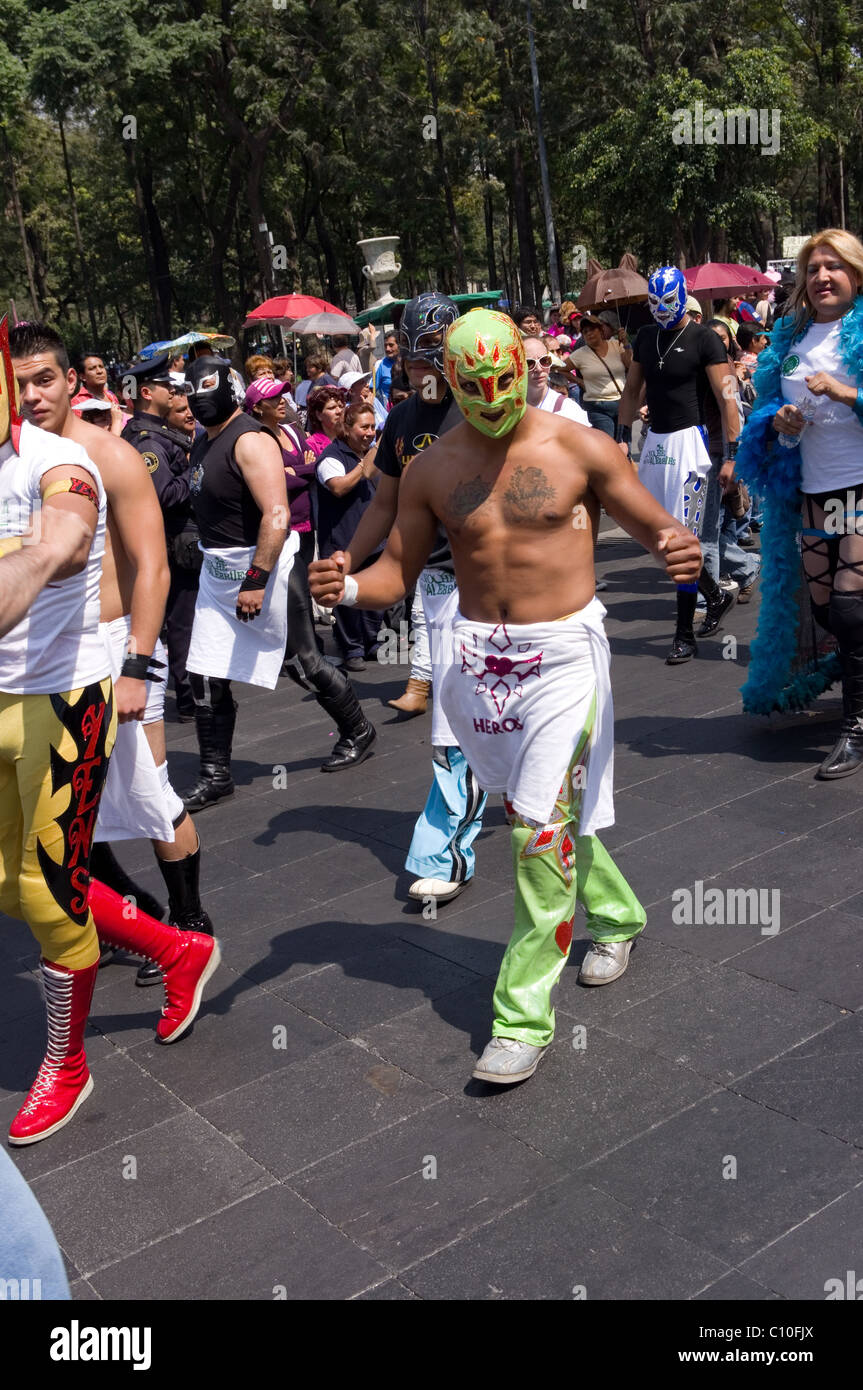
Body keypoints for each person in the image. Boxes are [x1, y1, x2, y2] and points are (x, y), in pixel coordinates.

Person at [310, 309, 701, 1084]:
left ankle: (521, 1016)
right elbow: (398, 570)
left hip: (563, 661)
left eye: (506, 379)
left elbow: (654, 525)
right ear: (448, 381)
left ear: (525, 371)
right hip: (479, 659)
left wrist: (675, 546)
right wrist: (349, 585)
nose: (494, 394)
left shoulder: (579, 447)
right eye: (477, 383)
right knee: (541, 811)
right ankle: (617, 914)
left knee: (533, 833)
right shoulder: (429, 469)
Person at [0, 317, 220, 1145]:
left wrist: (138, 666)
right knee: (36, 871)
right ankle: (172, 946)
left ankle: (183, 932)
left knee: (147, 804)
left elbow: (151, 564)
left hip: (100, 667)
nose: (34, 394)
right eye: (20, 381)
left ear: (69, 381)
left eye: (46, 379)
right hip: (24, 681)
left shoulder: (101, 454)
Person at [334, 292, 488, 900]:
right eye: (413, 359)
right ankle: (446, 849)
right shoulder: (400, 421)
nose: (423, 373)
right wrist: (350, 559)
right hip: (436, 585)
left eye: (434, 359)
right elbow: (385, 503)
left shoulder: (485, 410)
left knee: (506, 719)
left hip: (496, 588)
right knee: (453, 723)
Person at [736, 228, 863, 775]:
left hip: (861, 488)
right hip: (811, 494)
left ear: (855, 275)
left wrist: (847, 393)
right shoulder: (788, 338)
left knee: (850, 604)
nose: (822, 277)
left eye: (834, 267)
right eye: (813, 268)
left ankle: (854, 726)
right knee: (823, 611)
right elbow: (761, 429)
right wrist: (779, 424)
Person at [243, 381, 376, 771]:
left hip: (299, 534)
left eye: (283, 395)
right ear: (257, 408)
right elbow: (302, 476)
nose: (282, 402)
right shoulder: (259, 439)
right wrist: (302, 469)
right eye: (273, 399)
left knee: (302, 648)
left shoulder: (289, 431)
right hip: (276, 539)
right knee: (294, 645)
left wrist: (297, 469)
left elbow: (298, 474)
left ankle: (354, 722)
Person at [182, 355, 295, 812]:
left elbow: (277, 514)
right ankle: (216, 775)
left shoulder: (250, 439)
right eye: (191, 392)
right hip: (217, 573)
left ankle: (356, 729)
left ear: (228, 387)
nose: (197, 399)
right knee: (203, 673)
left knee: (303, 664)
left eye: (207, 388)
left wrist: (256, 578)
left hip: (263, 569)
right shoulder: (202, 441)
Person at [617, 265, 741, 662]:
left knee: (683, 540)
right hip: (655, 445)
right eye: (653, 304)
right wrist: (621, 437)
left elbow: (727, 398)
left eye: (667, 302)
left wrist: (733, 457)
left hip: (693, 446)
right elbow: (632, 389)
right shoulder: (646, 336)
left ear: (682, 298)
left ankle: (684, 633)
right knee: (657, 538)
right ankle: (716, 593)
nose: (660, 310)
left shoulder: (705, 338)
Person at [122, 355, 199, 721]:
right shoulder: (149, 440)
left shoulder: (152, 433)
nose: (175, 391)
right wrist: (195, 475)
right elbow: (162, 494)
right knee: (182, 623)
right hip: (170, 545)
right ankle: (188, 696)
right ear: (148, 392)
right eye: (168, 386)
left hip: (172, 545)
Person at [316, 403, 385, 673]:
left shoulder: (371, 454)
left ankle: (371, 642)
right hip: (342, 541)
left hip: (373, 539)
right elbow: (338, 487)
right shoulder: (331, 456)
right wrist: (365, 465)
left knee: (372, 595)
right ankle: (351, 648)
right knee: (345, 597)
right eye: (364, 427)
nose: (370, 433)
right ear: (347, 428)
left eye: (372, 427)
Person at [698, 319, 760, 605]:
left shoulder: (725, 375)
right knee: (707, 530)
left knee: (707, 532)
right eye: (710, 338)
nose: (715, 343)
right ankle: (746, 568)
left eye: (721, 338)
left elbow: (735, 418)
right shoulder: (698, 369)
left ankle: (708, 600)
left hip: (720, 458)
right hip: (698, 457)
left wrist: (731, 460)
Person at [567, 312, 631, 438]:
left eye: (592, 329)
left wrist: (626, 343)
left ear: (601, 330)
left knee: (624, 443)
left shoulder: (616, 345)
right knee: (608, 444)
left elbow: (629, 364)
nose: (589, 333)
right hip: (597, 406)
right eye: (585, 332)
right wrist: (579, 382)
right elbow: (560, 368)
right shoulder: (579, 354)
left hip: (621, 402)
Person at [522, 337, 590, 424]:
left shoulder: (568, 409)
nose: (539, 369)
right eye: (529, 363)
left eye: (544, 361)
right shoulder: (509, 408)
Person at [304, 384, 347, 458]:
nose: (339, 411)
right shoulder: (311, 445)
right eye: (332, 408)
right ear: (319, 415)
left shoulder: (350, 439)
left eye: (341, 406)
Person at [374, 333, 399, 406]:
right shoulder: (380, 365)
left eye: (391, 345)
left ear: (399, 345)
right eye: (385, 346)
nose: (387, 349)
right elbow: (372, 390)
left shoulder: (409, 362)